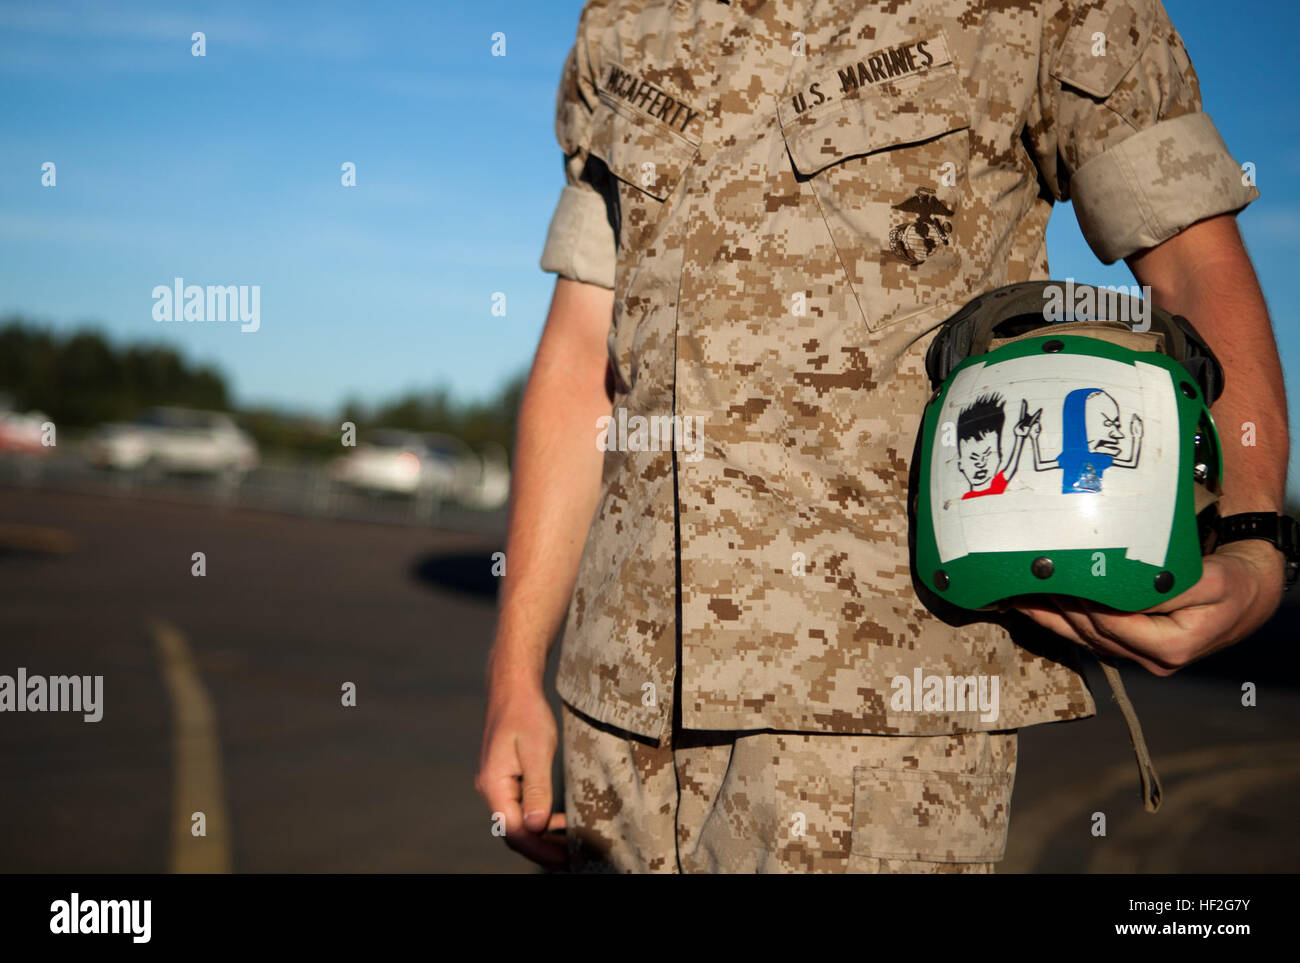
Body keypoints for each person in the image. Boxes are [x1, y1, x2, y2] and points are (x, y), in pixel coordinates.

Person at [476, 0, 1288, 872]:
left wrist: (1252, 538)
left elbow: (1195, 265)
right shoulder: (626, 24)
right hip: (617, 714)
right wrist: (514, 671)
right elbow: (578, 355)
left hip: (876, 732)